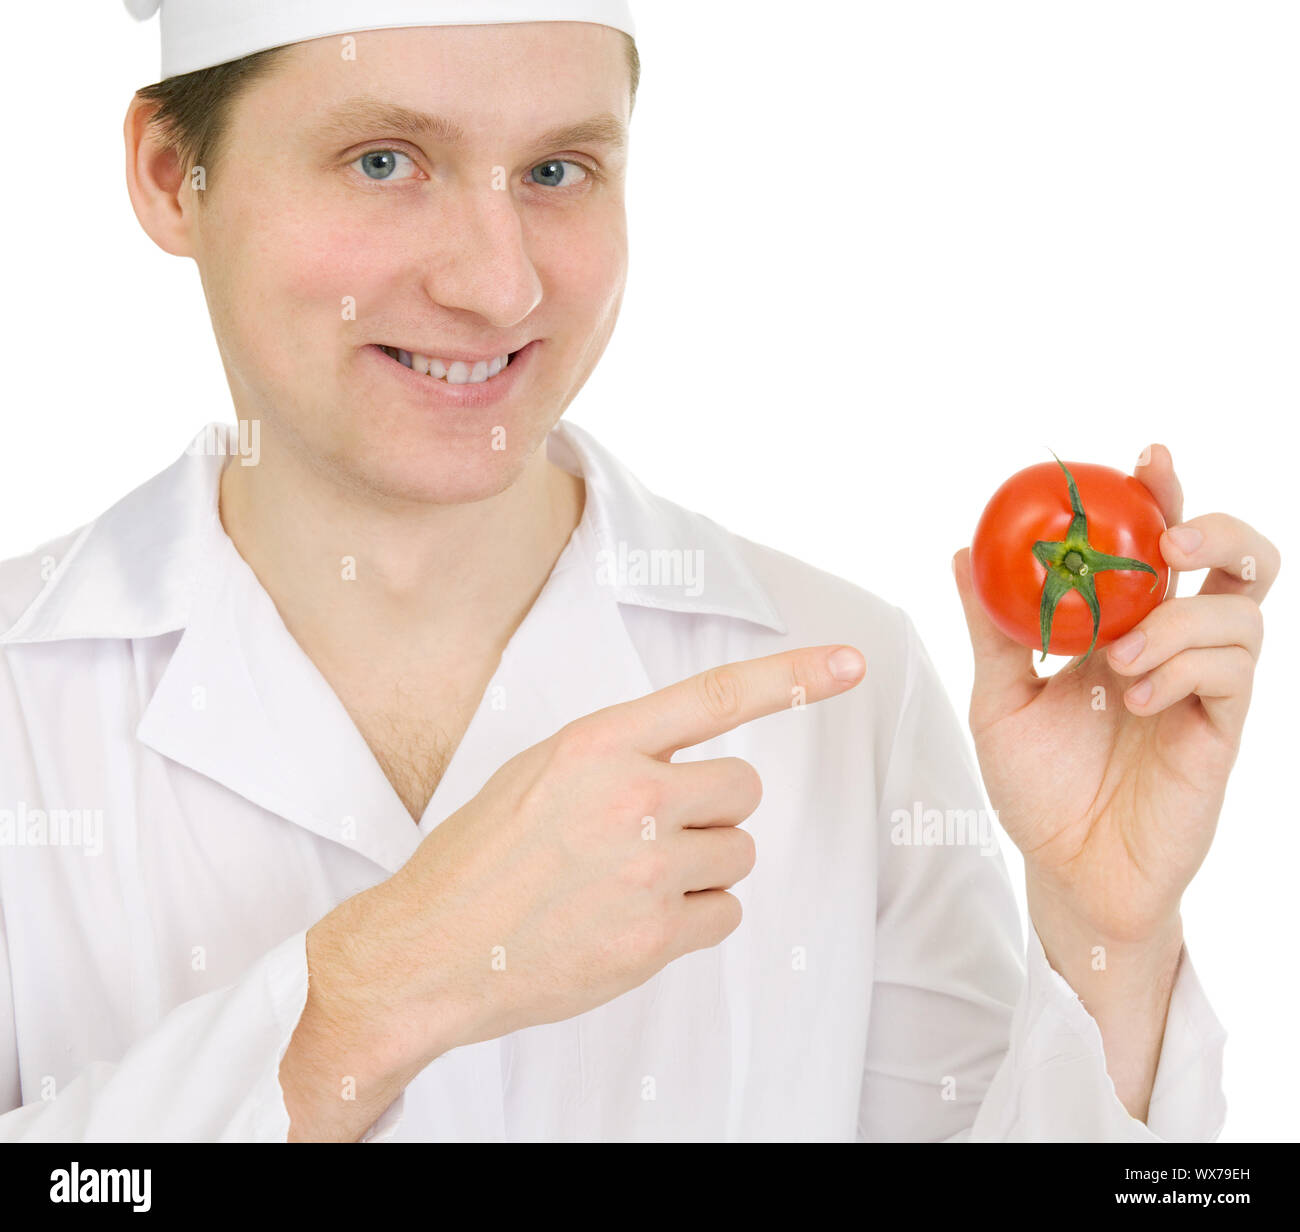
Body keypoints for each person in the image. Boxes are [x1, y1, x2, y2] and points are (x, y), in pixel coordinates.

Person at [0, 0, 1279, 1142]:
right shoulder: (20, 703)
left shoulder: (839, 681)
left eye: (558, 169)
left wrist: (1110, 938)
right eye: (384, 161)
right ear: (175, 176)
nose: (497, 283)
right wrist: (377, 989)